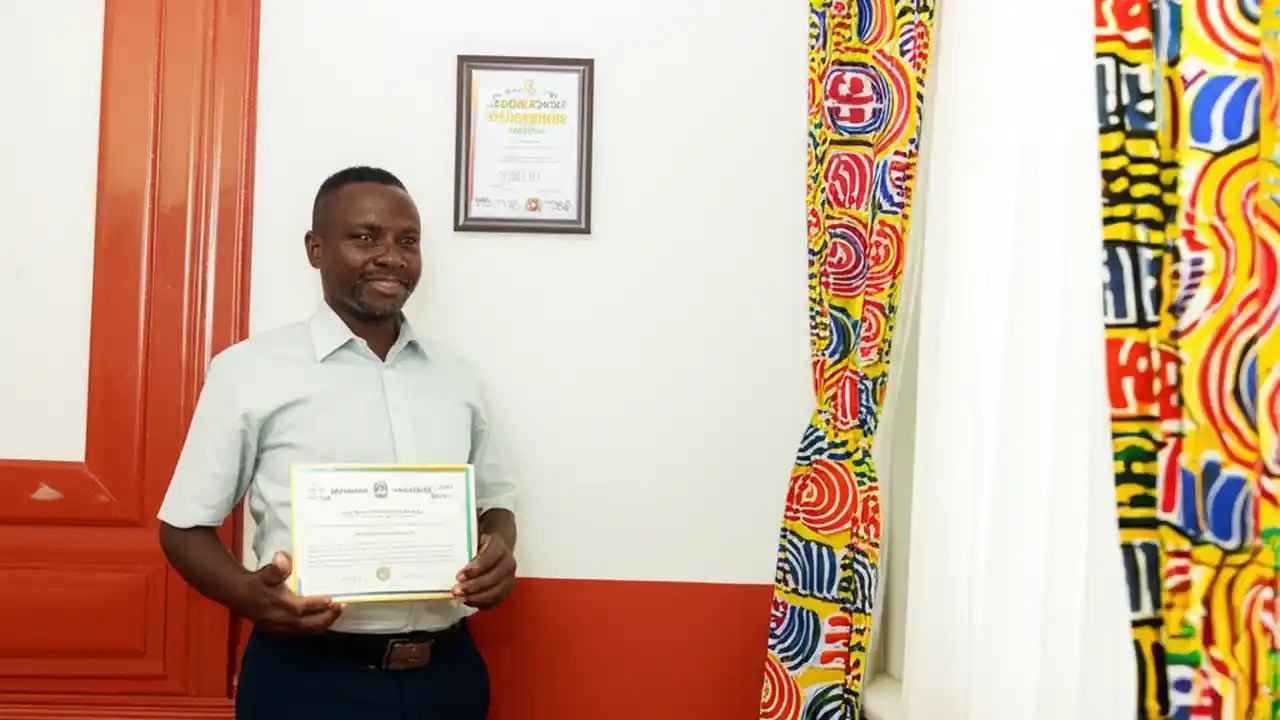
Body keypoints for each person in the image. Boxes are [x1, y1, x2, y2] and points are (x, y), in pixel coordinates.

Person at [157, 166, 517, 719]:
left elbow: (496, 503)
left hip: (447, 678)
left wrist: (498, 552)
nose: (392, 257)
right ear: (316, 249)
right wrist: (248, 594)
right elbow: (183, 527)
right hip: (306, 680)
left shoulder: (458, 377)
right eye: (365, 237)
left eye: (408, 241)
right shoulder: (249, 371)